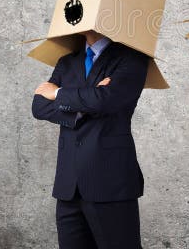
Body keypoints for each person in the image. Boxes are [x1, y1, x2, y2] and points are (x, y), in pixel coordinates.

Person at [32, 30, 148, 249]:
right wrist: (87, 100)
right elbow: (39, 106)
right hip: (68, 185)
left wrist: (58, 94)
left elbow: (105, 101)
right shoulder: (66, 62)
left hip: (110, 183)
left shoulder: (132, 59)